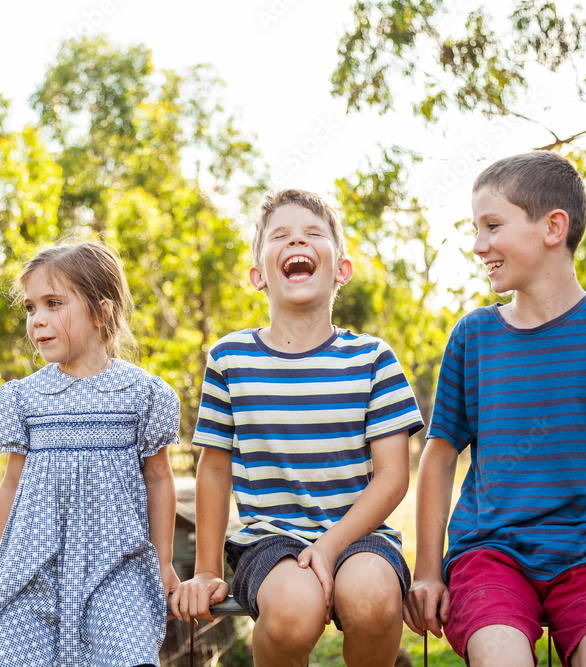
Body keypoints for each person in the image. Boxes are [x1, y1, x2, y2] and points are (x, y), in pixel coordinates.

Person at [404, 151, 586, 667]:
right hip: (489, 555)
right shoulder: (473, 336)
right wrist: (427, 570)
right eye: (476, 229)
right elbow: (439, 456)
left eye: (492, 226)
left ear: (553, 227)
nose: (479, 246)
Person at [170, 189, 425, 666]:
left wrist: (330, 548)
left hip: (360, 535)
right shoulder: (230, 359)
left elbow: (393, 476)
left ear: (341, 269)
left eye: (312, 234)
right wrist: (205, 569)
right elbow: (215, 468)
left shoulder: (374, 359)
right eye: (279, 236)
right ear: (258, 276)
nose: (296, 242)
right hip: (269, 537)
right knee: (292, 610)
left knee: (372, 598)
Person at [0, 240, 181, 667]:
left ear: (102, 312)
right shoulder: (24, 399)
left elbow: (159, 479)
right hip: (31, 571)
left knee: (127, 657)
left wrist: (163, 564)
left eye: (53, 303)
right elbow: (10, 487)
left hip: (116, 569)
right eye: (30, 308)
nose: (37, 320)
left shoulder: (143, 395)